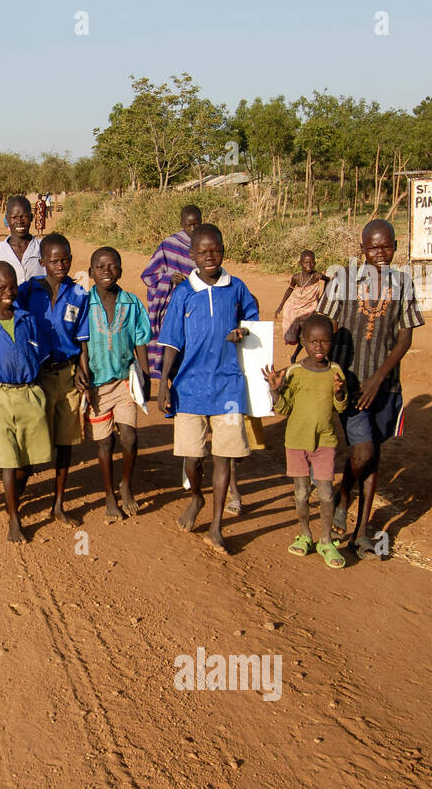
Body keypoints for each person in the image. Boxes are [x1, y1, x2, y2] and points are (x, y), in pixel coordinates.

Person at [317, 218, 424, 560]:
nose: (381, 253)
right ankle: (343, 495)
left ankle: (361, 531)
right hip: (350, 382)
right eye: (373, 246)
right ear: (361, 248)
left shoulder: (403, 284)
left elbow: (405, 337)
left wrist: (379, 378)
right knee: (362, 452)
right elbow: (327, 324)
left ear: (395, 245)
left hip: (387, 384)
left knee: (374, 455)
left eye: (387, 245)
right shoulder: (343, 280)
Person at [157, 224, 259, 554]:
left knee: (224, 458)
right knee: (192, 457)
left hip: (228, 386)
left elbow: (253, 324)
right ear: (192, 257)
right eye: (202, 252)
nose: (210, 256)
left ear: (223, 250)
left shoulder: (238, 288)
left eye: (215, 250)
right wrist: (164, 384)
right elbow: (171, 341)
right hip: (189, 386)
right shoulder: (184, 293)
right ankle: (197, 496)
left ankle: (216, 527)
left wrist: (243, 332)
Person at [0, 261, 53, 544]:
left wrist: (39, 392)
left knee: (28, 462)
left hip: (28, 393)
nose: (8, 292)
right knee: (7, 461)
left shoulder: (28, 320)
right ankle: (14, 518)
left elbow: (40, 357)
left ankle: (12, 498)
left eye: (12, 286)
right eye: (0, 288)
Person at [262, 313, 348, 569]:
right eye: (313, 342)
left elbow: (340, 408)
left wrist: (340, 392)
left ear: (331, 342)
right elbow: (283, 409)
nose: (318, 347)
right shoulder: (295, 372)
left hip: (325, 442)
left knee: (324, 493)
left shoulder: (335, 372)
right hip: (297, 441)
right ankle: (305, 533)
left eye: (324, 341)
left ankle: (325, 540)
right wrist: (275, 389)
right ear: (303, 341)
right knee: (301, 494)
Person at [16, 233, 90, 523]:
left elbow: (83, 338)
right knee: (30, 442)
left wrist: (82, 369)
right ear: (42, 262)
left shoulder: (78, 292)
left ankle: (58, 504)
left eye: (66, 259)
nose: (61, 264)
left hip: (67, 376)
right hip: (37, 377)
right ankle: (16, 500)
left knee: (65, 443)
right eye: (54, 260)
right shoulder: (27, 291)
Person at [79, 247, 151, 523]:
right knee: (105, 443)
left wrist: (144, 376)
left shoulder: (132, 304)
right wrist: (82, 376)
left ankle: (126, 484)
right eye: (100, 266)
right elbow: (82, 345)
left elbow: (140, 340)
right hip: (97, 385)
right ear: (91, 272)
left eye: (113, 266)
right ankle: (109, 495)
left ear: (120, 270)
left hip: (124, 381)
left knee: (130, 438)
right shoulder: (85, 304)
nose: (107, 271)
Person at [140, 205, 201, 382]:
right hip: (171, 309)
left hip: (196, 309)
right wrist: (169, 279)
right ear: (182, 224)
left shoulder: (204, 245)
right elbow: (149, 275)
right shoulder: (169, 245)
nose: (193, 229)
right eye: (189, 225)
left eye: (197, 224)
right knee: (172, 350)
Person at [0, 195, 43, 313]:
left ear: (31, 217)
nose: (19, 221)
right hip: (9, 319)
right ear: (7, 219)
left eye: (24, 216)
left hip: (40, 318)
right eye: (14, 217)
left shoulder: (43, 248)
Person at [273, 250, 328, 362]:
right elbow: (290, 289)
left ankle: (296, 356)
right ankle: (296, 356)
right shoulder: (296, 277)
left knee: (305, 334)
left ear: (315, 263)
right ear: (300, 263)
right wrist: (280, 306)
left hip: (310, 308)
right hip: (294, 307)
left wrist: (322, 296)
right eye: (306, 262)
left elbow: (328, 280)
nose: (309, 265)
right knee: (298, 335)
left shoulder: (317, 276)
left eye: (312, 262)